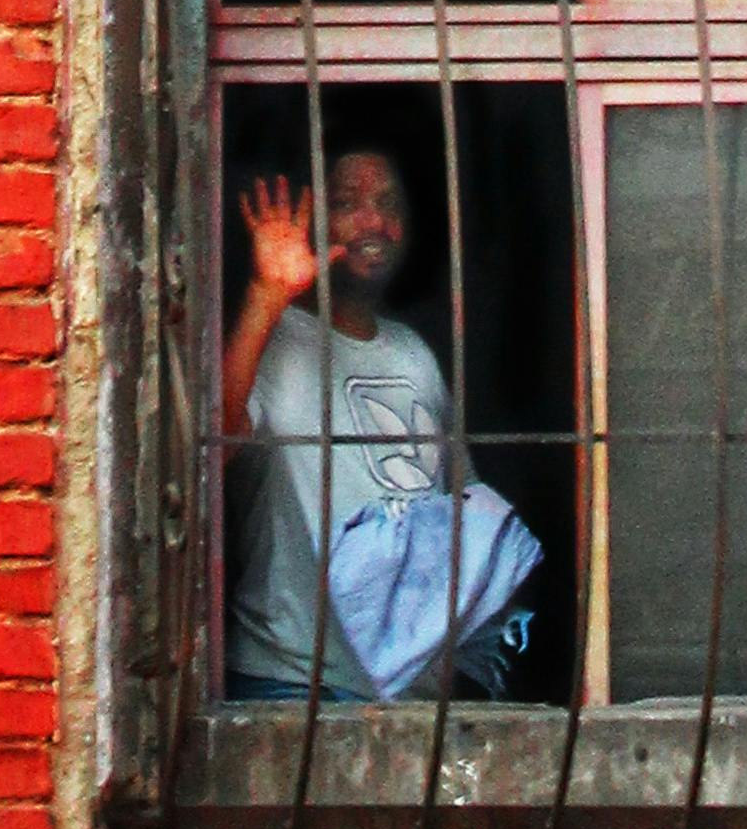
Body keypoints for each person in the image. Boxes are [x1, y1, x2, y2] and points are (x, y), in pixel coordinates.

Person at [219, 145, 538, 703]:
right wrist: (266, 297)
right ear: (312, 218)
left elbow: (460, 503)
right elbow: (208, 449)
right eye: (348, 203)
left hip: (409, 691)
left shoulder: (412, 352)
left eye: (389, 204)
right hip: (293, 680)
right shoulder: (271, 339)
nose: (374, 222)